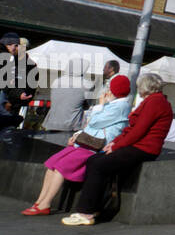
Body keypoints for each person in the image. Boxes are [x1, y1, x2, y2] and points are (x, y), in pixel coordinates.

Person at [61, 72, 174, 226]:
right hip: (139, 146)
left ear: (144, 87)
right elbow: (131, 130)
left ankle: (86, 212)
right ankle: (95, 207)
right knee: (95, 160)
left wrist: (116, 146)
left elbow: (138, 130)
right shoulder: (154, 101)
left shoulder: (155, 102)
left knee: (98, 164)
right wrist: (114, 143)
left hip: (144, 149)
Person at [23, 74, 132, 215]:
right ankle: (40, 201)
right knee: (51, 164)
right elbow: (90, 124)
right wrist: (77, 135)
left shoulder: (121, 106)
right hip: (86, 142)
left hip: (95, 145)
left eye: (110, 87)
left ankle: (46, 203)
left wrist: (101, 105)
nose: (108, 90)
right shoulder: (114, 104)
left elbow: (94, 122)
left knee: (61, 167)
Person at [42, 56, 96, 133]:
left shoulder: (56, 81)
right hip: (73, 125)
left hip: (52, 123)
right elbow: (87, 106)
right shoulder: (88, 85)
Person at [1, 33, 36, 129]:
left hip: (13, 106)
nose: (15, 48)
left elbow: (30, 89)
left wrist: (12, 103)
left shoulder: (30, 66)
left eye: (18, 46)